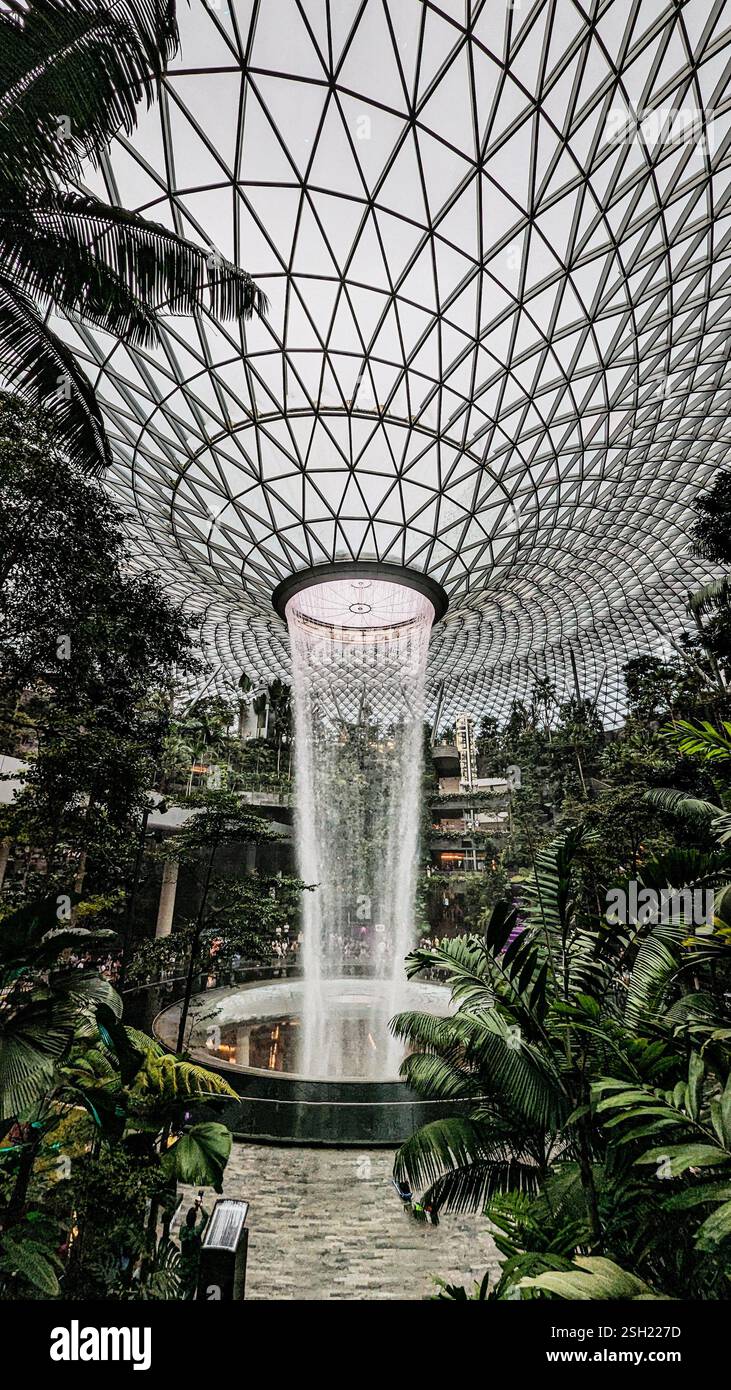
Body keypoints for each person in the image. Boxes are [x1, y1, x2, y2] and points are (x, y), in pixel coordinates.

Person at [178, 1193, 208, 1299]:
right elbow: (206, 1217)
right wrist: (200, 1206)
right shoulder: (195, 1233)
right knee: (190, 1291)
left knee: (181, 1288)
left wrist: (195, 1208)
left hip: (184, 1263)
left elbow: (190, 1218)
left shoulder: (182, 1230)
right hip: (193, 1265)